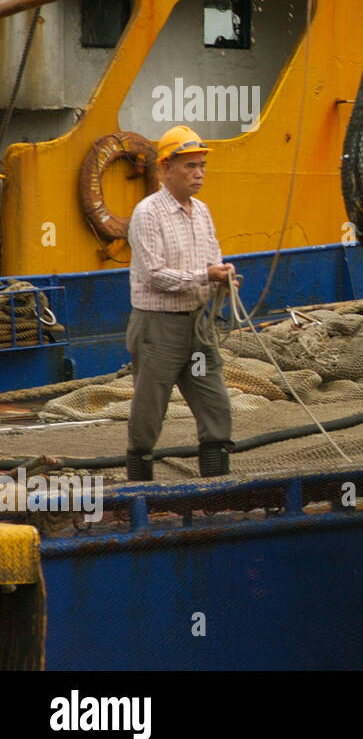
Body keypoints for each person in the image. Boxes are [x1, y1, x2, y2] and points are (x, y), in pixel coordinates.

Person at [124, 126, 236, 481]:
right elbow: (156, 274)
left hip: (198, 329)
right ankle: (139, 484)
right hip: (160, 330)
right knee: (150, 406)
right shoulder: (148, 214)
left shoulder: (202, 211)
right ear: (165, 169)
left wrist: (224, 277)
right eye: (190, 166)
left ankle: (217, 483)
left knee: (212, 397)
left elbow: (212, 258)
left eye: (201, 165)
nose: (199, 173)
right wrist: (208, 276)